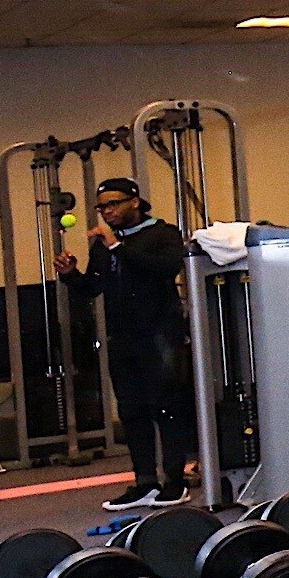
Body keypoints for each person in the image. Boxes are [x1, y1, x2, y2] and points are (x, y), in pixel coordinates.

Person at [57, 177, 195, 505]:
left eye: (113, 204)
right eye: (102, 206)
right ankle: (144, 482)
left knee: (167, 407)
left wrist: (118, 247)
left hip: (160, 333)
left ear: (134, 201)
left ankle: (174, 480)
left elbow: (164, 269)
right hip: (122, 337)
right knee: (132, 410)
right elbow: (95, 287)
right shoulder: (105, 243)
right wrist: (71, 274)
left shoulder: (162, 233)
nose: (107, 212)